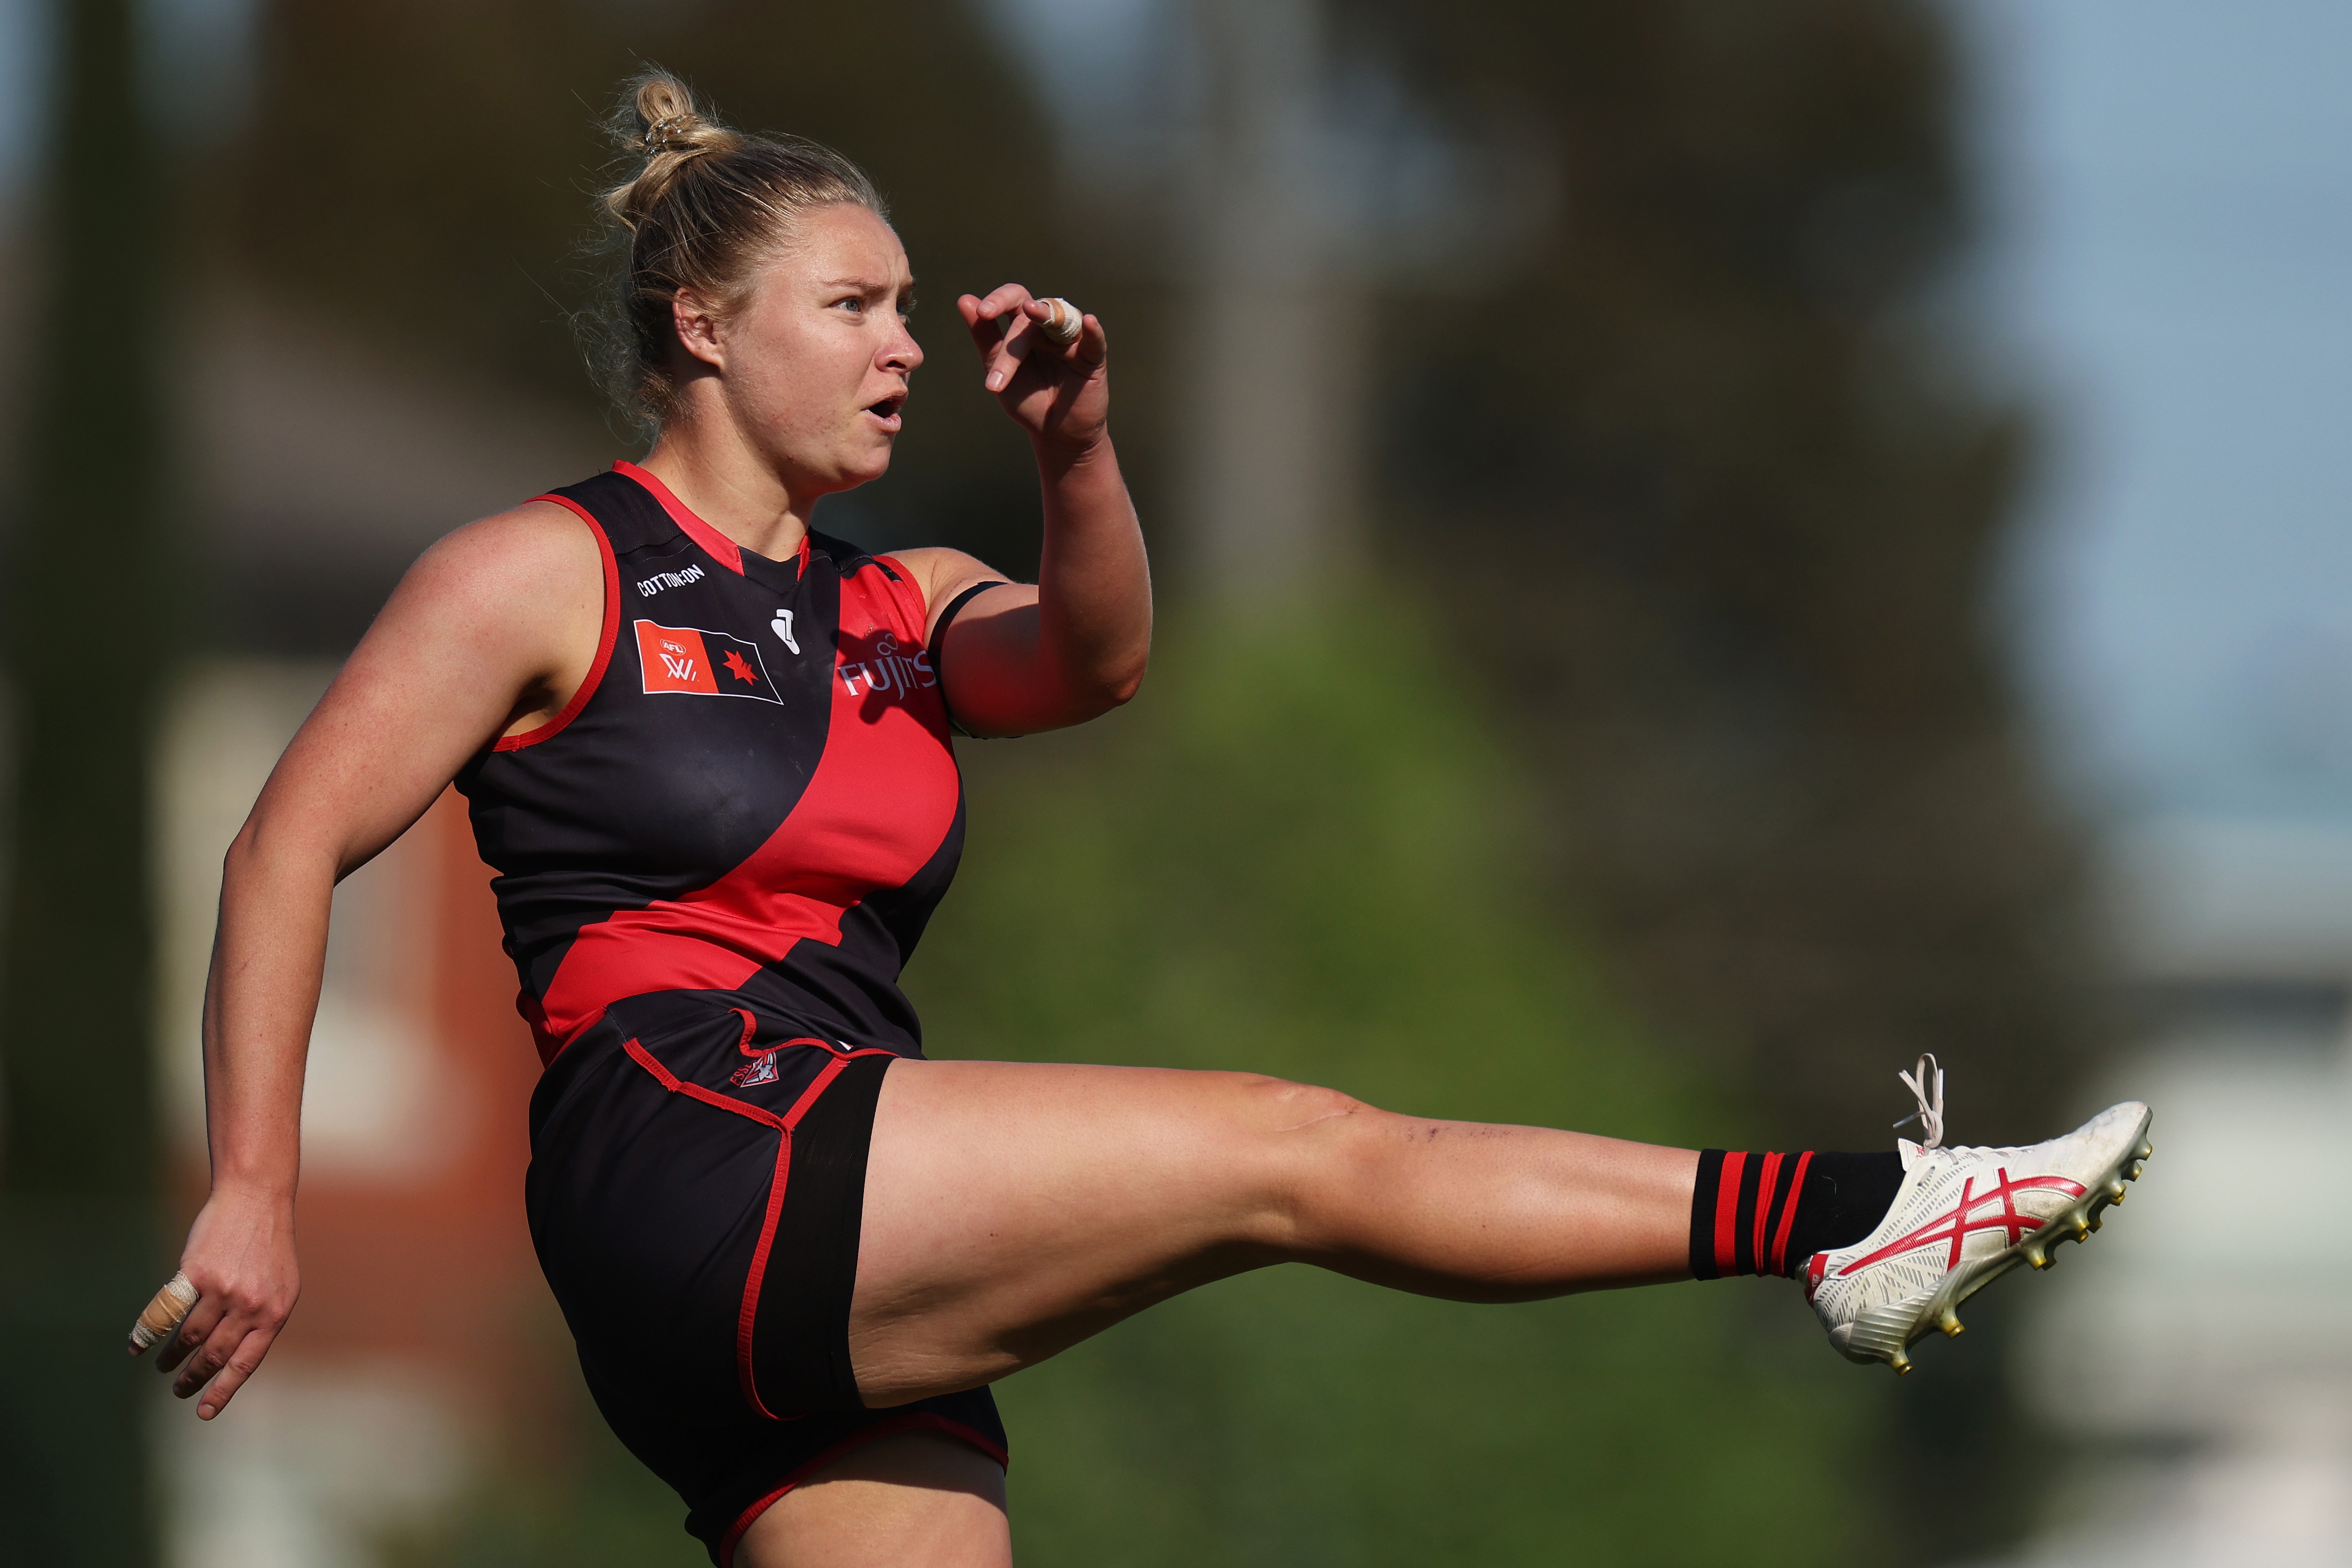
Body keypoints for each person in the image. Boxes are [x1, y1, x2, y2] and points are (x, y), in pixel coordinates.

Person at [149, 74, 2153, 1568]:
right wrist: (256, 1183)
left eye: (908, 304)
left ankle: (1847, 1228)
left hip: (822, 1221)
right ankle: (1848, 1215)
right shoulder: (544, 569)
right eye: (851, 306)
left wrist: (1077, 448)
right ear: (701, 324)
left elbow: (1092, 662)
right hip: (696, 1161)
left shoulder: (898, 594)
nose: (900, 343)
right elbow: (283, 841)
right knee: (1295, 1151)